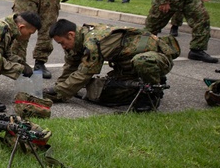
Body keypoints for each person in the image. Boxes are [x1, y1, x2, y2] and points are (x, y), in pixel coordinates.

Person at [45, 19, 179, 112]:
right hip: (127, 67)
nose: (63, 46)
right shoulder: (77, 40)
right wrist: (56, 90)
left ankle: (152, 93)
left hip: (156, 58)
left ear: (70, 35)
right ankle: (139, 85)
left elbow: (84, 74)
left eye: (62, 43)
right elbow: (70, 66)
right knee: (100, 93)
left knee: (142, 61)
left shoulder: (92, 41)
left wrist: (57, 93)